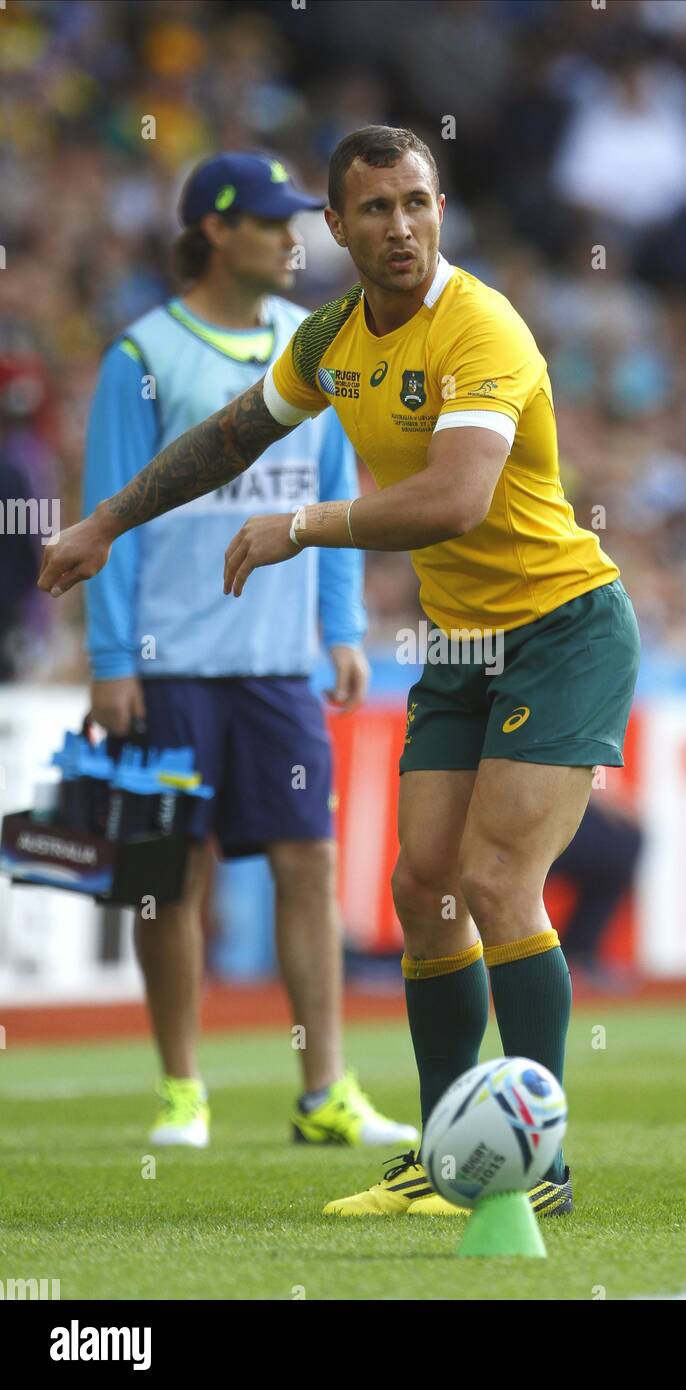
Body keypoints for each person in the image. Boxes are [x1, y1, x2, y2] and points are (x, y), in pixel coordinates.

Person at [39, 126, 641, 1215]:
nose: (400, 226)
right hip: (463, 646)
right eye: (374, 209)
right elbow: (227, 438)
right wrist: (107, 524)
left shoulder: (483, 326)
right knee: (422, 885)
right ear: (336, 227)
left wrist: (304, 525)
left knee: (501, 881)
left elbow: (456, 497)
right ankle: (454, 1149)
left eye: (416, 202)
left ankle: (540, 1161)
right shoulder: (331, 336)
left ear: (442, 208)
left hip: (563, 626)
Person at [81, 150, 416, 1152]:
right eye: (272, 222)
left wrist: (343, 626)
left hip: (278, 669)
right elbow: (110, 513)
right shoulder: (141, 355)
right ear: (216, 231)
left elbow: (332, 490)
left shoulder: (313, 346)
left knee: (309, 862)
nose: (293, 237)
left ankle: (324, 1089)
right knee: (165, 878)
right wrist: (112, 657)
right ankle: (183, 1089)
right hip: (167, 663)